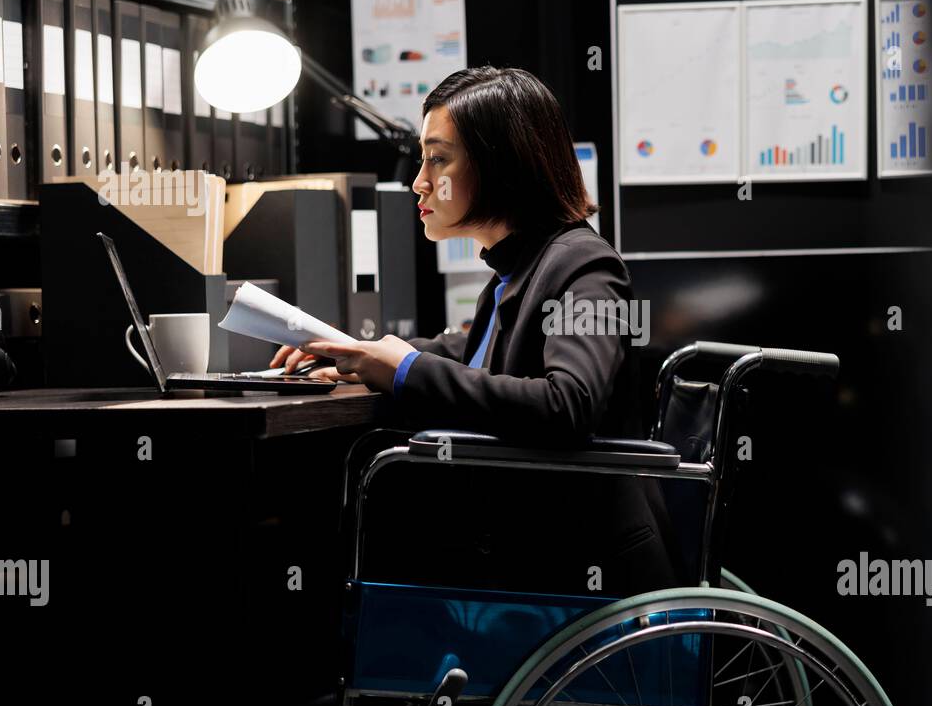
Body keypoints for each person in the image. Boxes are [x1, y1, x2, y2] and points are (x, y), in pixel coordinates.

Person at [268, 66, 683, 598]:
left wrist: (406, 369)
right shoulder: (519, 267)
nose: (420, 181)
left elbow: (569, 404)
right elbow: (481, 351)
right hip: (531, 548)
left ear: (501, 165)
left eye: (438, 159)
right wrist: (359, 353)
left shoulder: (586, 266)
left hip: (577, 567)